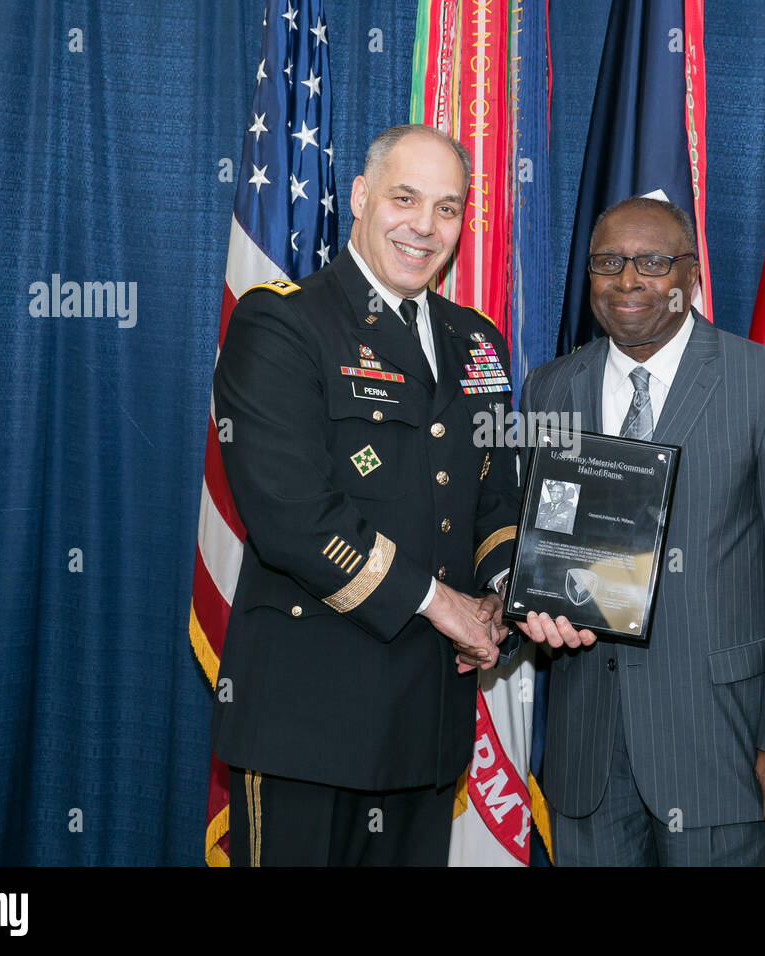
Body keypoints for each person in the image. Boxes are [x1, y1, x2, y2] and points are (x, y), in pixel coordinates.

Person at [210, 124, 520, 866]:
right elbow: (292, 518)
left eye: (447, 208)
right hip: (308, 720)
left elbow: (496, 493)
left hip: (429, 718)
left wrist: (507, 589)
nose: (424, 225)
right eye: (405, 198)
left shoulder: (477, 342)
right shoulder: (283, 321)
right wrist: (446, 605)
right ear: (360, 197)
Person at [516, 197, 765, 866]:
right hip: (587, 756)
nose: (628, 281)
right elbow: (537, 542)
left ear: (690, 275)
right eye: (608, 262)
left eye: (653, 262)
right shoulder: (549, 389)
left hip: (723, 747)